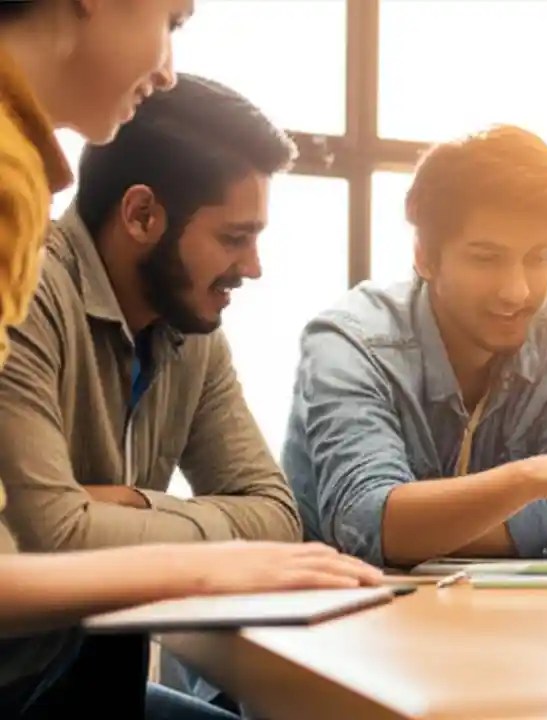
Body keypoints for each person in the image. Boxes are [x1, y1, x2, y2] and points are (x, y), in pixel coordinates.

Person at [0, 2, 379, 717]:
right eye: (235, 238)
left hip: (84, 672)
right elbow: (49, 538)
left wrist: (139, 506)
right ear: (142, 216)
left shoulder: (191, 327)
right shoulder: (34, 281)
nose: (256, 268)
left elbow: (274, 514)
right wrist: (207, 555)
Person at [282, 124, 547, 569]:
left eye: (538, 258)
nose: (517, 292)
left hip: (511, 608)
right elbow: (367, 522)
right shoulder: (350, 340)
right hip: (347, 608)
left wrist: (420, 525)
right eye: (486, 258)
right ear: (424, 256)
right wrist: (529, 481)